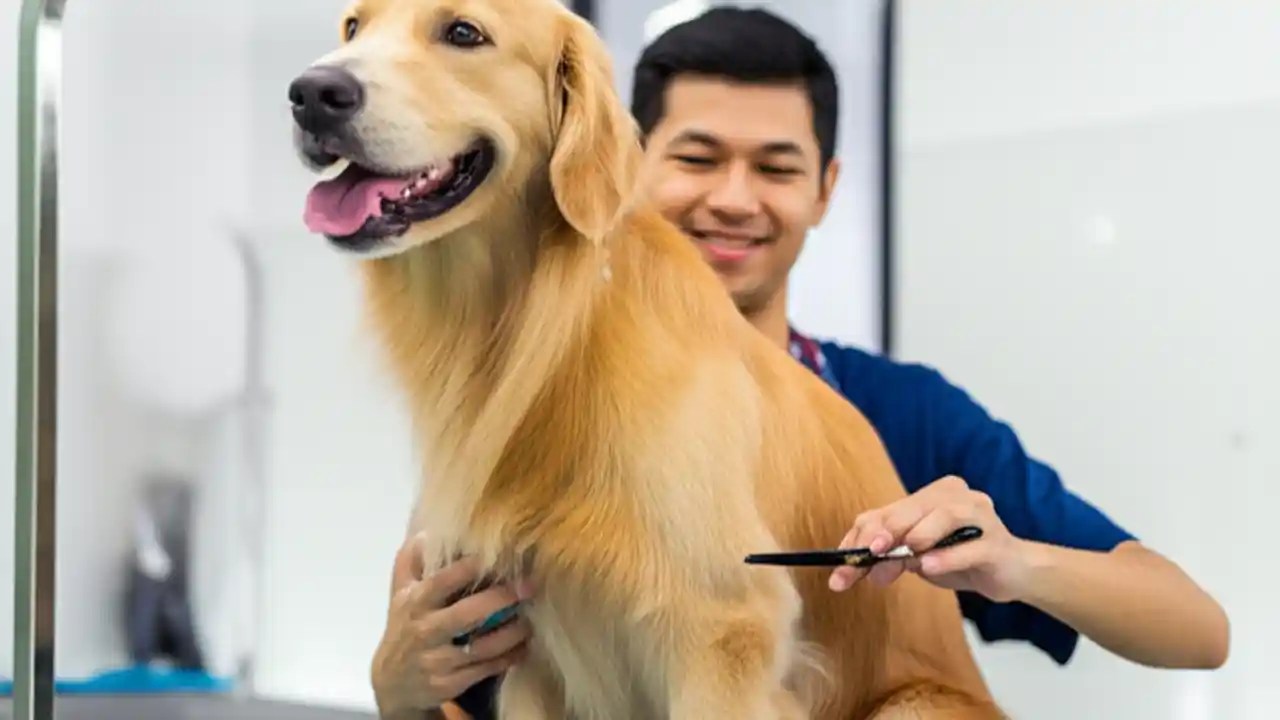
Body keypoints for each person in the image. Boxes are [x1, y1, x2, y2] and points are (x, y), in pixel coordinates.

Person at [369, 8, 1230, 719]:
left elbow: (1200, 631)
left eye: (776, 168)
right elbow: (492, 687)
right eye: (697, 159)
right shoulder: (510, 407)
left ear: (825, 188)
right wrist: (397, 689)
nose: (734, 198)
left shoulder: (904, 412)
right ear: (620, 160)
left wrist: (1016, 562)